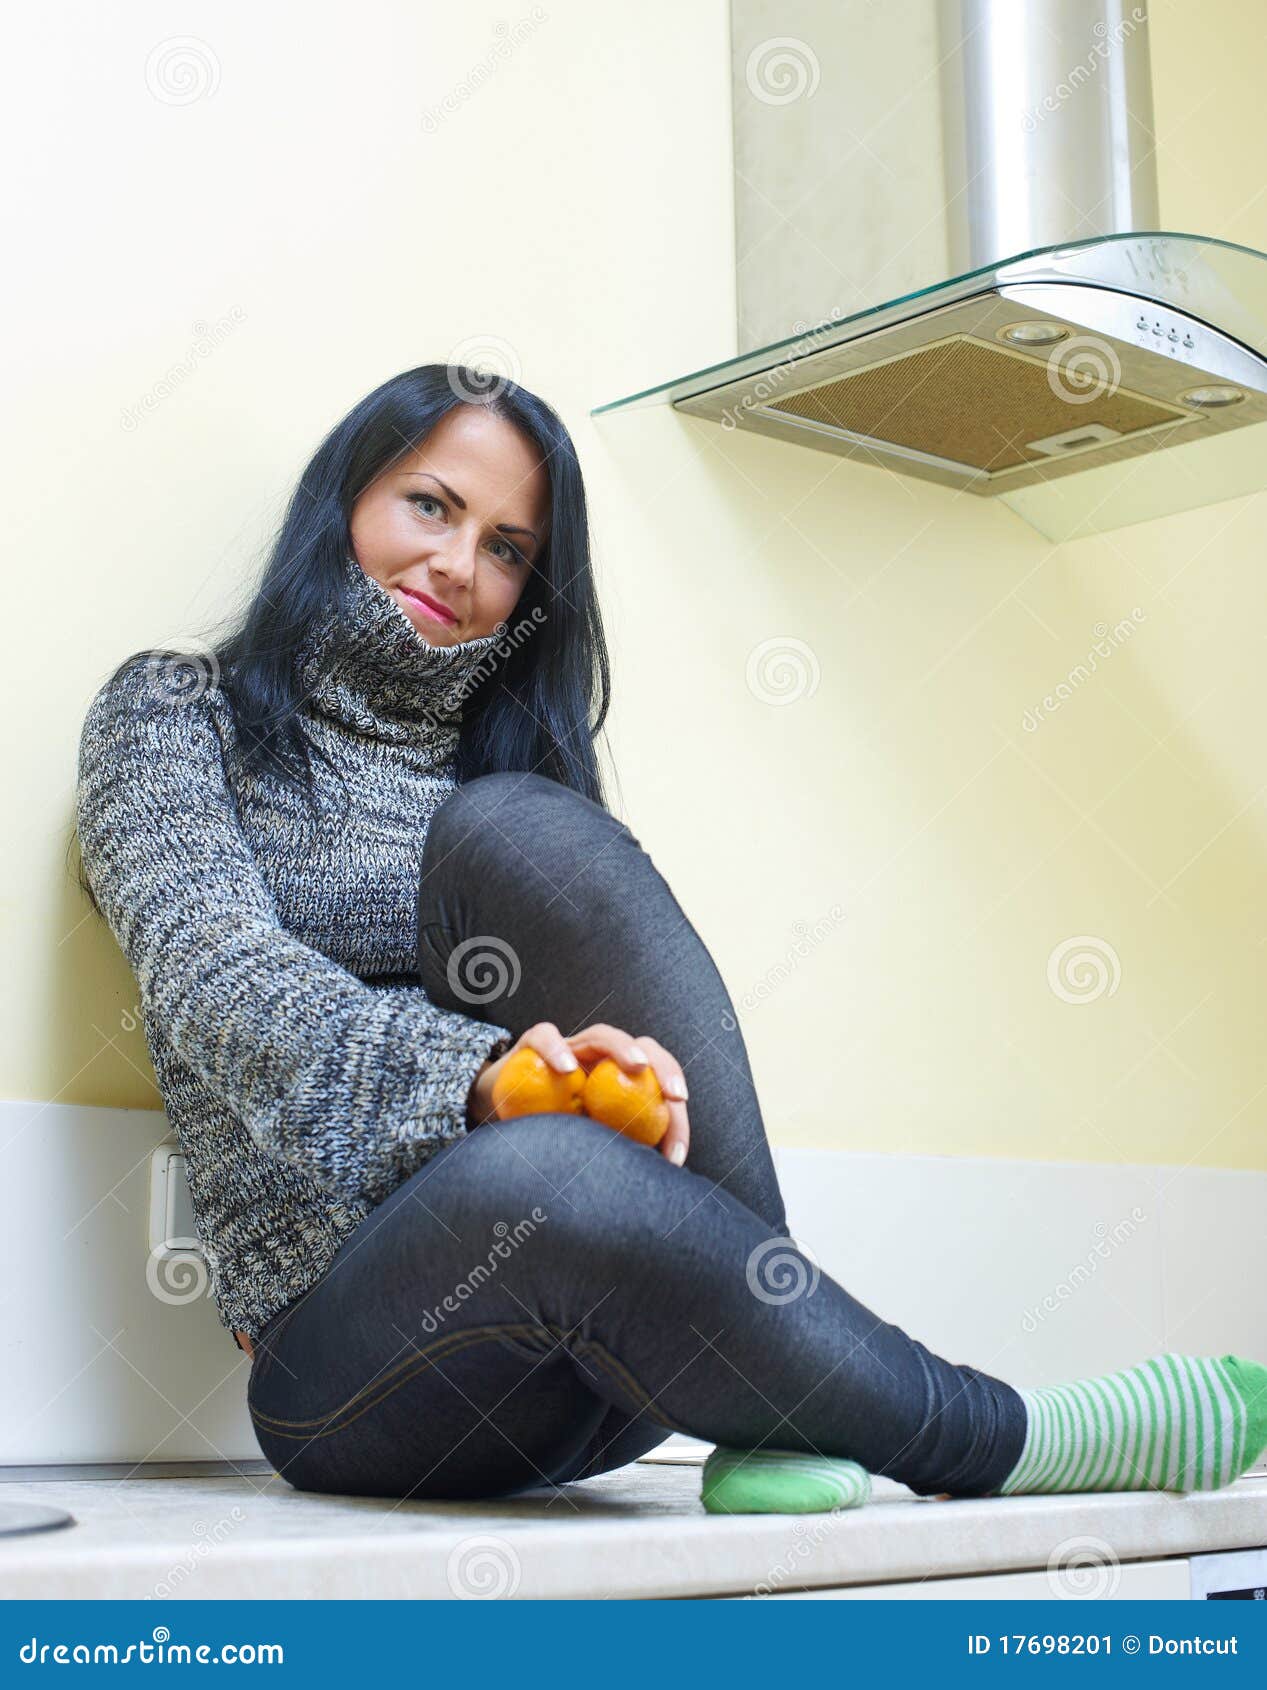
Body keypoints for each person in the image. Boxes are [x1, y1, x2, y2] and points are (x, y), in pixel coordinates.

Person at [74, 364, 1267, 1515]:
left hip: (618, 1365)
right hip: (362, 1371)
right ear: (343, 501)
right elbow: (214, 984)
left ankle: (771, 1379)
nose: (455, 563)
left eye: (506, 548)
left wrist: (591, 1086)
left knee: (523, 828)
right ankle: (992, 1434)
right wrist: (490, 1083)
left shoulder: (500, 777)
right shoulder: (179, 712)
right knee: (550, 1167)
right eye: (429, 505)